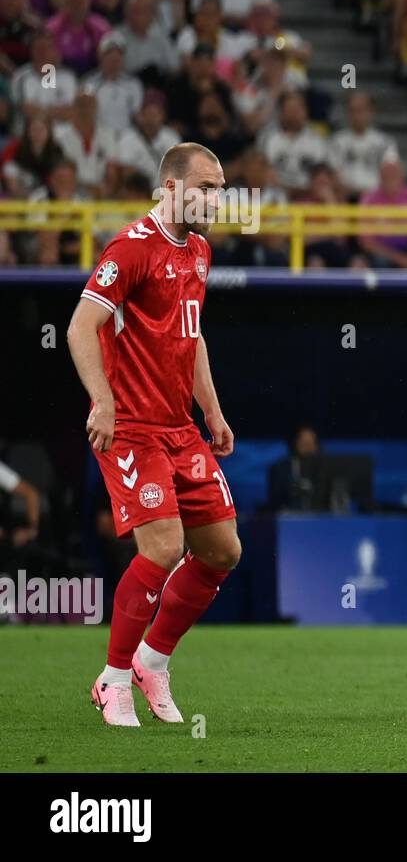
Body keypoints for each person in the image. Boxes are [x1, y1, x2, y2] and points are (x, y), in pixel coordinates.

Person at [66, 142, 240, 727]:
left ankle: (152, 661)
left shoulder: (199, 253)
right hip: (134, 429)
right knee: (163, 548)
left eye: (220, 188)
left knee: (222, 551)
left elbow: (192, 340)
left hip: (180, 428)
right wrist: (103, 402)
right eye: (206, 188)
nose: (217, 199)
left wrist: (212, 414)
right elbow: (80, 327)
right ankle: (112, 680)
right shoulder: (131, 248)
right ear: (171, 188)